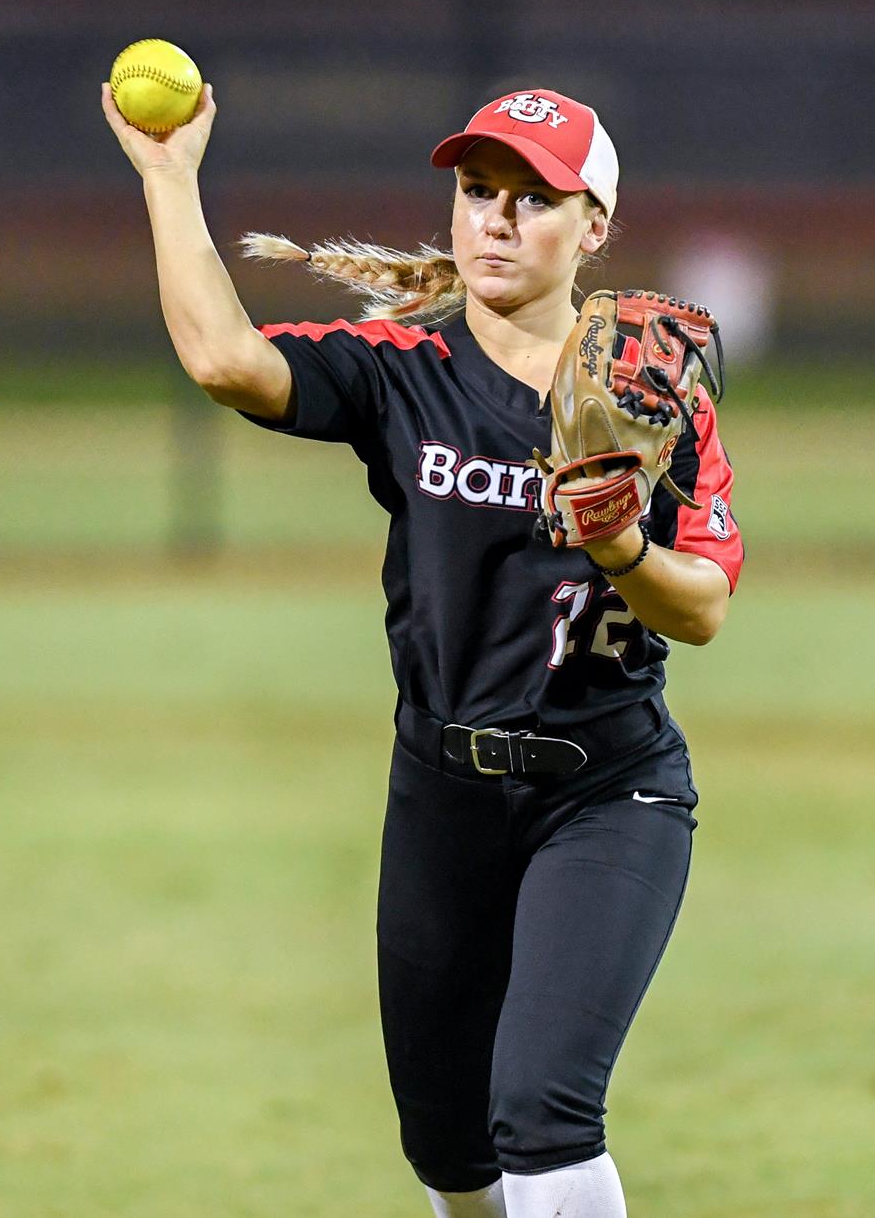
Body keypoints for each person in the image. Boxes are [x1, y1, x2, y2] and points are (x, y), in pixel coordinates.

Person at [102, 79, 744, 1218]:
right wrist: (168, 175)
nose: (497, 219)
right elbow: (224, 360)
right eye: (477, 191)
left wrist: (621, 545)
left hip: (605, 791)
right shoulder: (404, 371)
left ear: (593, 225)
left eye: (533, 198)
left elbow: (697, 606)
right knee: (447, 1147)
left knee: (542, 1111)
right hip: (441, 797)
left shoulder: (643, 395)